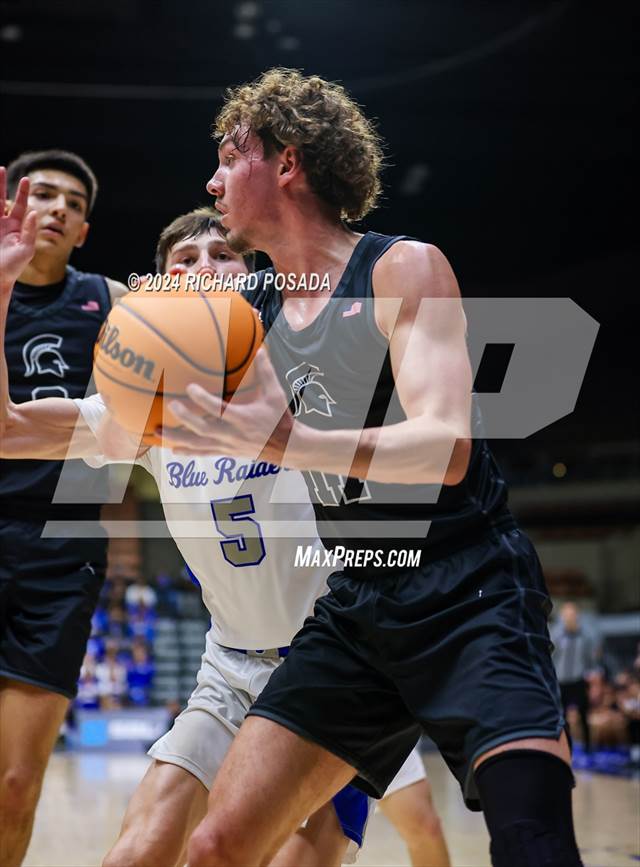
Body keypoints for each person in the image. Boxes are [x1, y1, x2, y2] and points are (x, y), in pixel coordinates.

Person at [158, 68, 583, 867]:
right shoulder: (254, 307)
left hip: (469, 591)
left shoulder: (401, 268)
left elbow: (444, 448)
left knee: (532, 841)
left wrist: (282, 440)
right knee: (215, 846)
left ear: (287, 162)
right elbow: (125, 351)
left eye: (228, 156)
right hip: (357, 603)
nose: (211, 180)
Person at [0, 197, 450, 867]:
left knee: (380, 838)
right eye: (185, 260)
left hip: (334, 666)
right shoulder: (144, 411)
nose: (205, 267)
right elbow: (8, 429)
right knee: (134, 854)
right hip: (231, 667)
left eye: (224, 255)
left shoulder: (312, 367)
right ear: (157, 292)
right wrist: (3, 283)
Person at [0, 154, 127, 867]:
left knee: (16, 783)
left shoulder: (109, 299)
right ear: (15, 205)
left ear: (82, 230)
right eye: (41, 193)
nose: (55, 207)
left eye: (71, 203)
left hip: (63, 548)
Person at [551, 602, 598, 759]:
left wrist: (593, 682)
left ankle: (588, 749)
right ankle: (565, 748)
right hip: (561, 681)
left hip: (578, 680)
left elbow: (590, 661)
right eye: (566, 614)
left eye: (572, 614)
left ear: (577, 615)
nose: (569, 617)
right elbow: (551, 658)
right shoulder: (556, 635)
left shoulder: (585, 637)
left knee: (584, 715)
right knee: (562, 717)